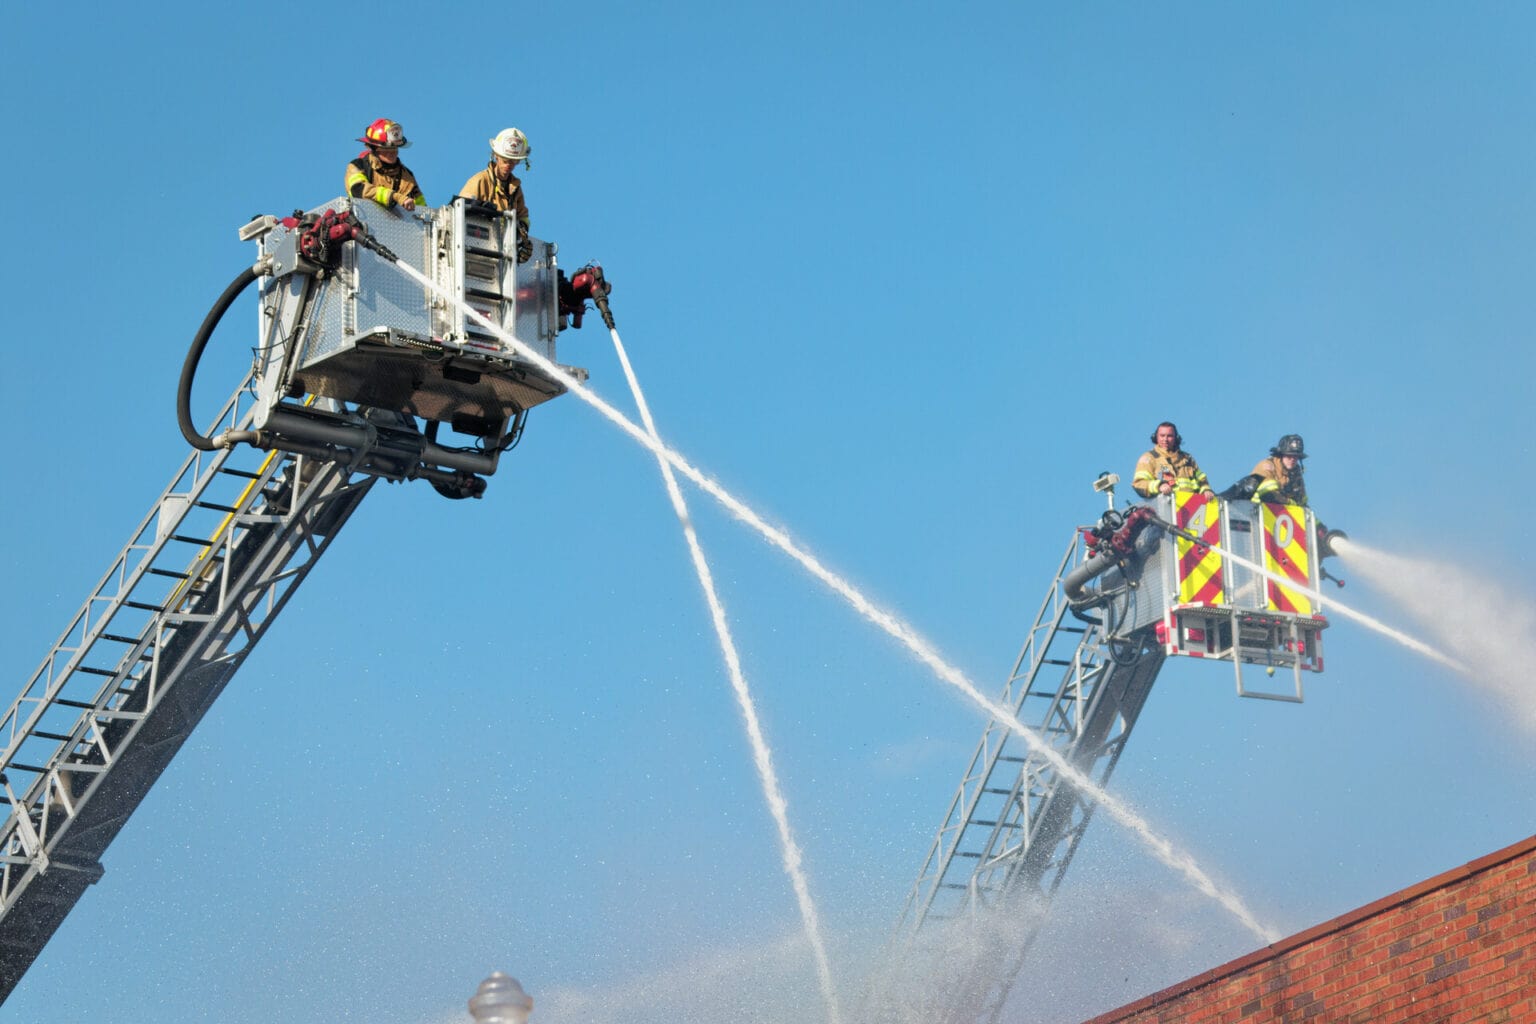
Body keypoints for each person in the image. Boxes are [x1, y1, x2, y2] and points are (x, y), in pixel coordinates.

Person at [461, 128, 533, 262]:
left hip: (503, 253)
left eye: (513, 161)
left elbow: (523, 217)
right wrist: (481, 211)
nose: (509, 165)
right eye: (505, 160)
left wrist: (521, 236)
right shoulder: (480, 181)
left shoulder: (515, 188)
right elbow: (459, 213)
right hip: (477, 250)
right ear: (496, 156)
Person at [345, 118, 425, 212]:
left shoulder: (407, 176)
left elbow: (423, 210)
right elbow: (358, 189)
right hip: (364, 220)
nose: (391, 153)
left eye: (394, 148)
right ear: (374, 148)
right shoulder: (358, 166)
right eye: (386, 149)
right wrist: (394, 197)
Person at [1132, 422, 1213, 499]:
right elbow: (1139, 484)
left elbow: (1202, 480)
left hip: (1193, 509)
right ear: (1156, 437)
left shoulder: (1187, 459)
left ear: (1176, 438)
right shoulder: (1149, 458)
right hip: (1166, 509)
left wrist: (1206, 490)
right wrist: (1159, 486)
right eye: (1162, 436)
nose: (1165, 439)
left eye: (1169, 436)